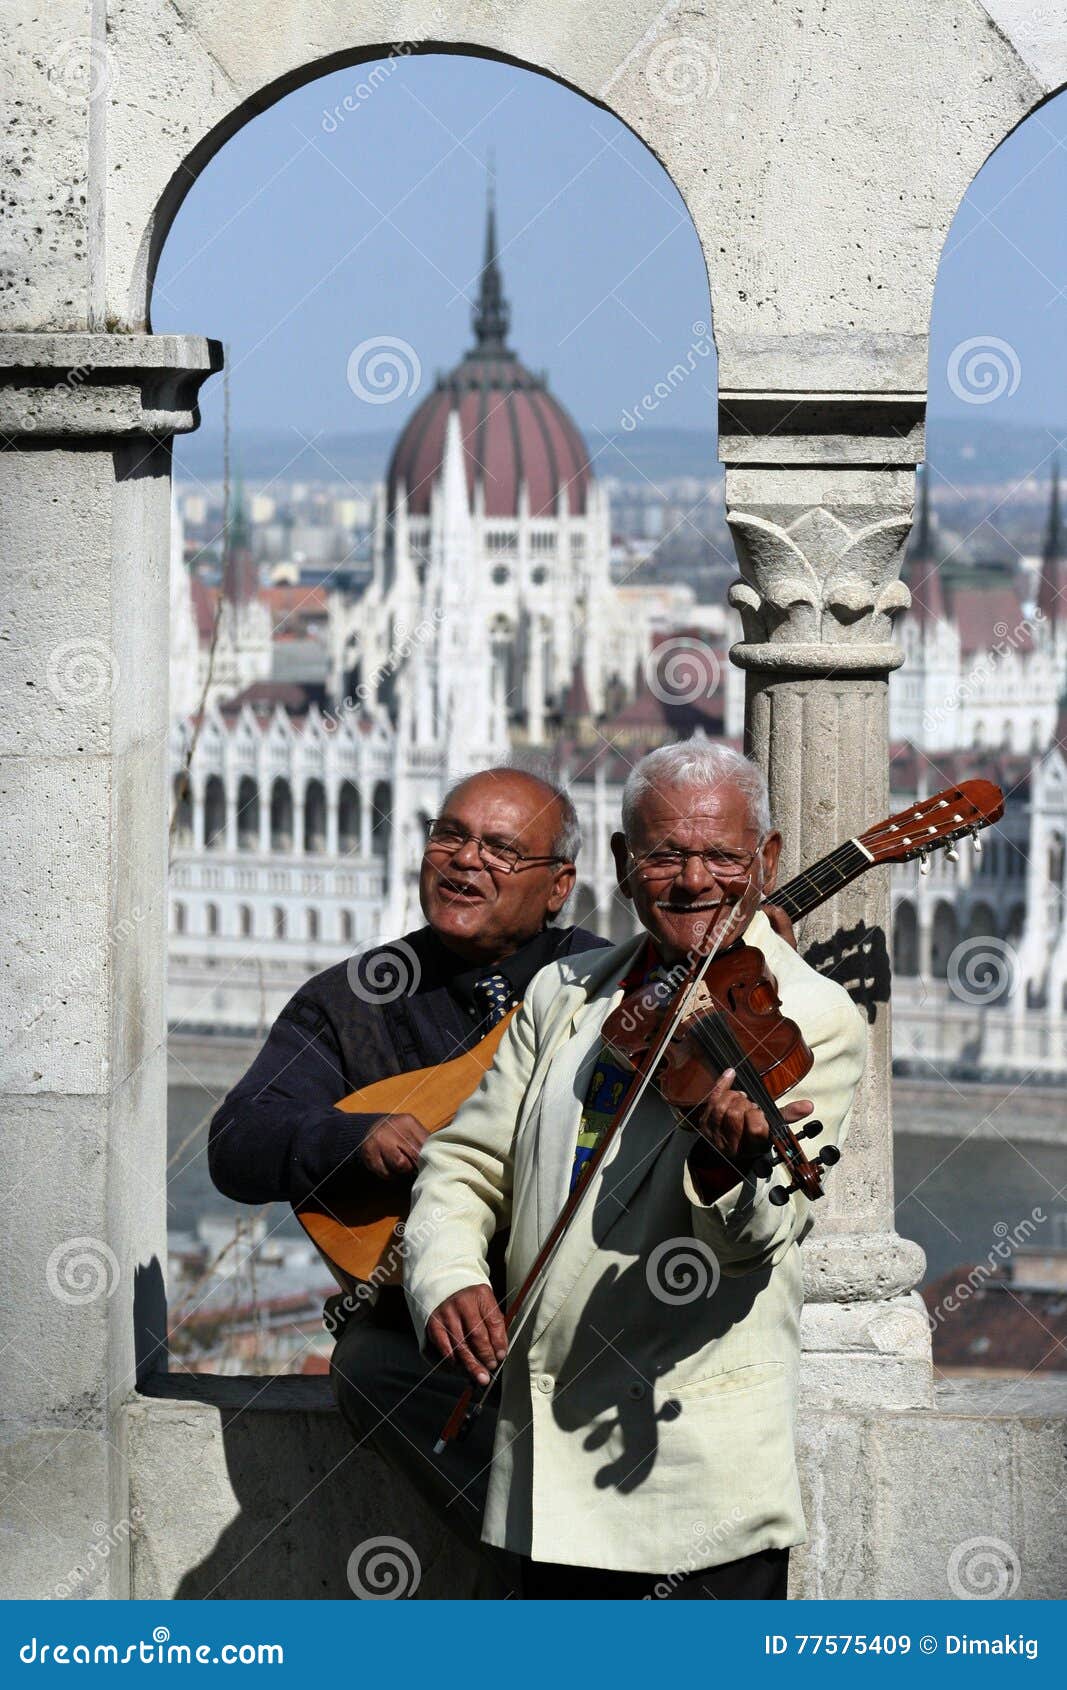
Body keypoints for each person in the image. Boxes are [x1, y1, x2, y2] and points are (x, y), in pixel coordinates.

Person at [404, 739, 867, 1600]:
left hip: (684, 1474)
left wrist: (729, 1169)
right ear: (621, 865)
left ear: (764, 862)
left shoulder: (811, 1017)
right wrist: (447, 1274)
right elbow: (464, 1161)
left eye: (723, 856)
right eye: (665, 854)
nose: (695, 881)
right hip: (541, 1464)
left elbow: (764, 1235)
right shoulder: (566, 992)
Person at [208, 765, 604, 1565]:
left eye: (499, 849)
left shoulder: (606, 983)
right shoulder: (353, 999)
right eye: (449, 836)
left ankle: (558, 1577)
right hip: (430, 1328)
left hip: (585, 1306)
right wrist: (353, 1142)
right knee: (368, 1365)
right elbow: (238, 1143)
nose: (463, 861)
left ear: (558, 886)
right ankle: (554, 1567)